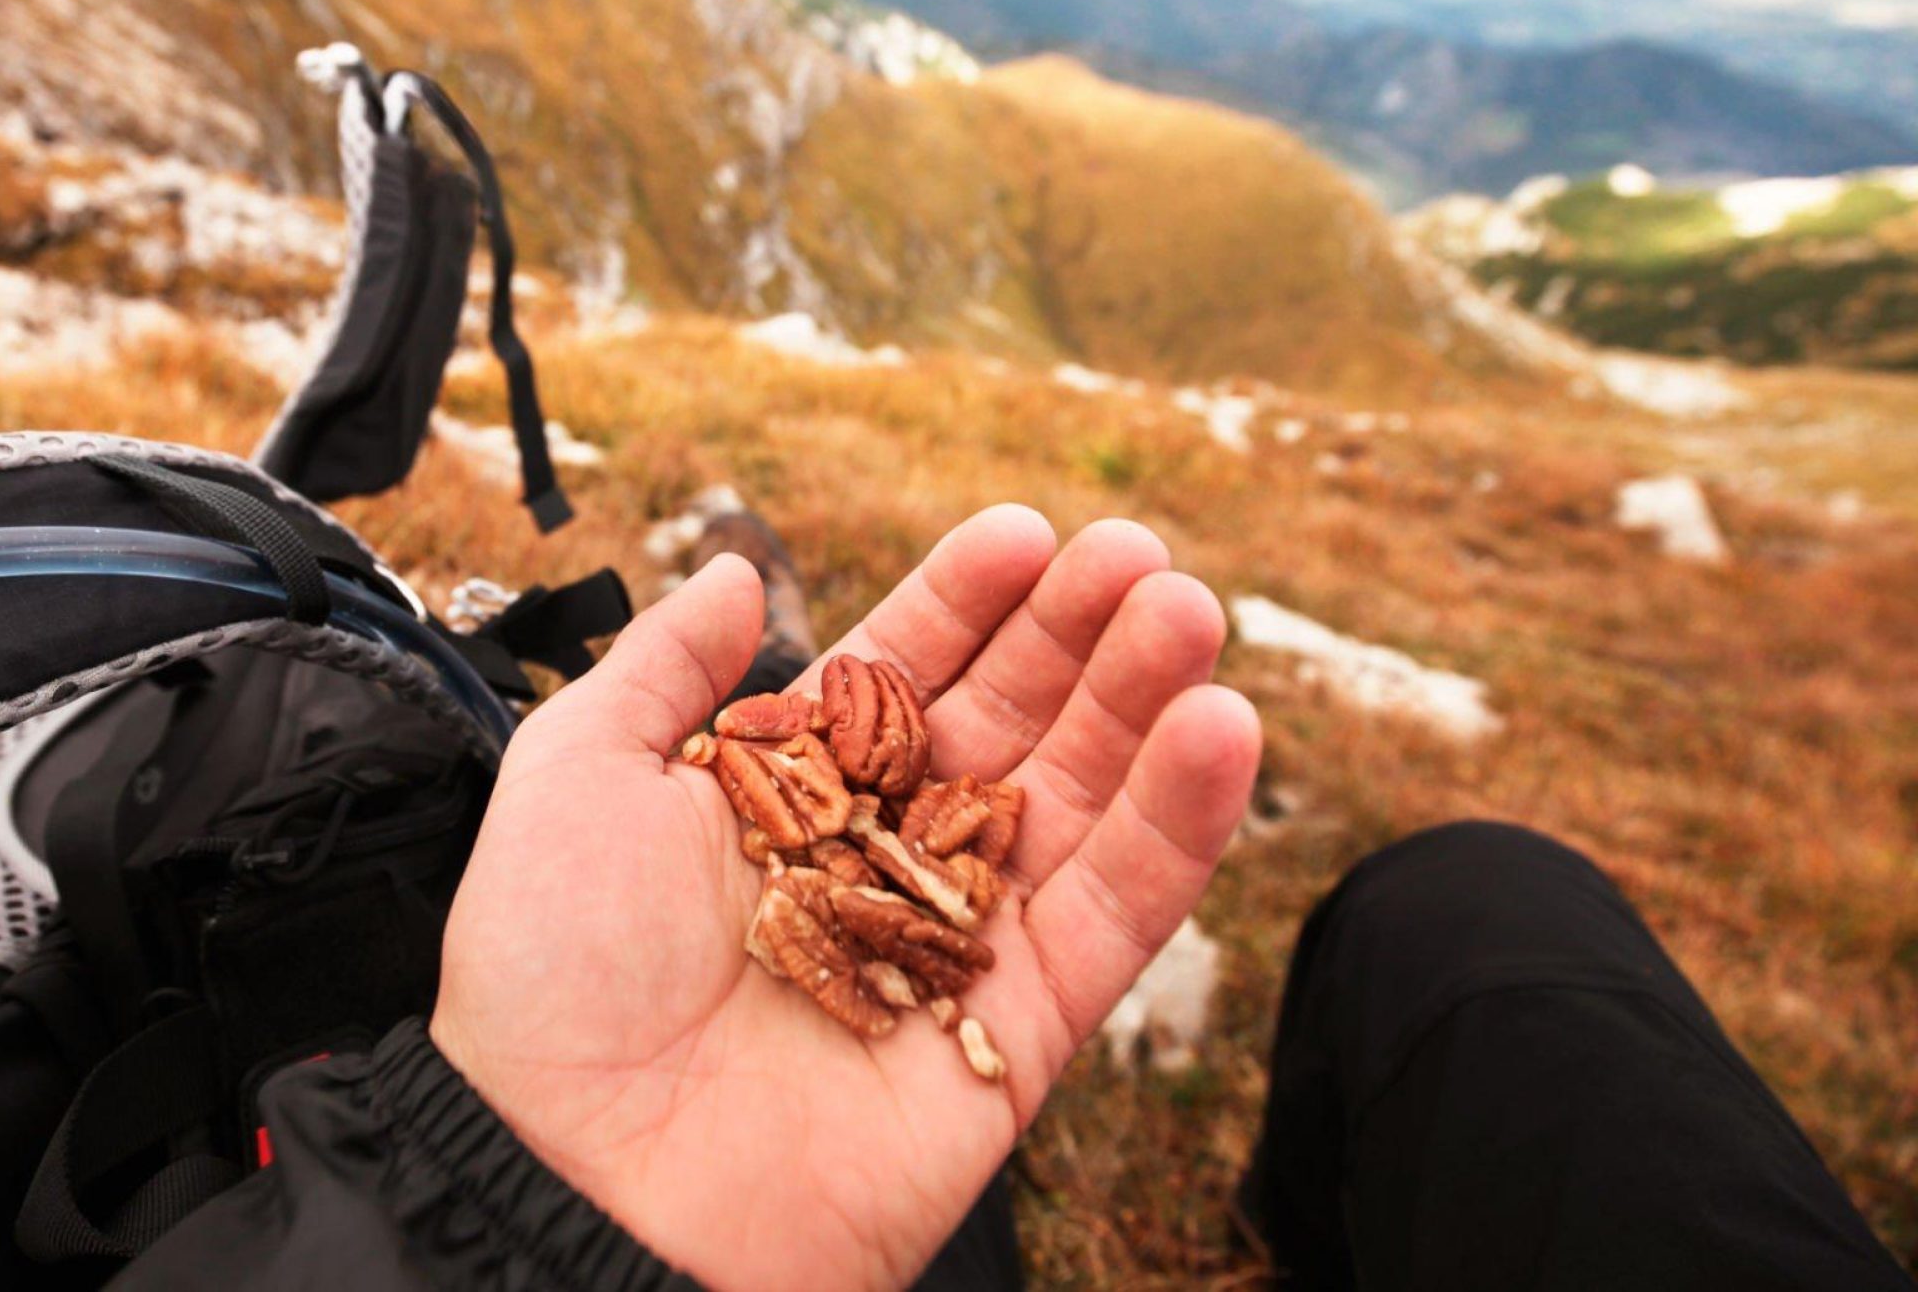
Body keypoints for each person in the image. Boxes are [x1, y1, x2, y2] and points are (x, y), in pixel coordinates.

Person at [117, 506, 1912, 1291]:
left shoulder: (891, 856)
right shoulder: (860, 852)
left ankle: (1304, 1224)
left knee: (1475, 915)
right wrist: (519, 1198)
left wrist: (485, 1208)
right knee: (1476, 900)